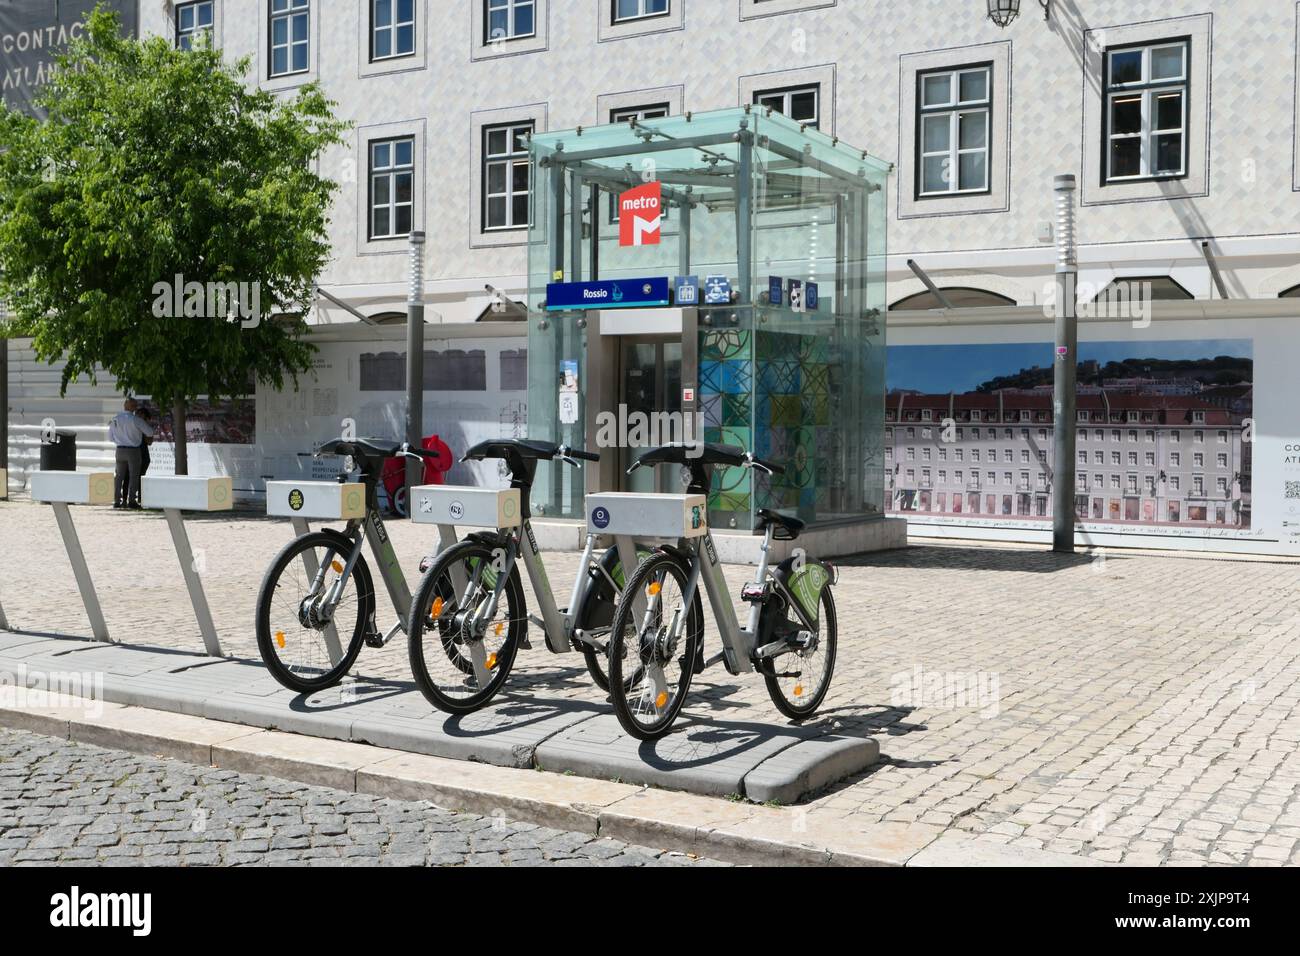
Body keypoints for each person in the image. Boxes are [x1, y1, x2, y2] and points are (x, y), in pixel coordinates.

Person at [108, 398, 155, 510]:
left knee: (119, 476)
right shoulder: (135, 420)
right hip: (133, 450)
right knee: (134, 476)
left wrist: (120, 441)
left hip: (119, 450)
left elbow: (110, 437)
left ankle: (117, 500)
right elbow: (150, 432)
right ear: (134, 407)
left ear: (125, 405)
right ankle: (132, 500)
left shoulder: (115, 419)